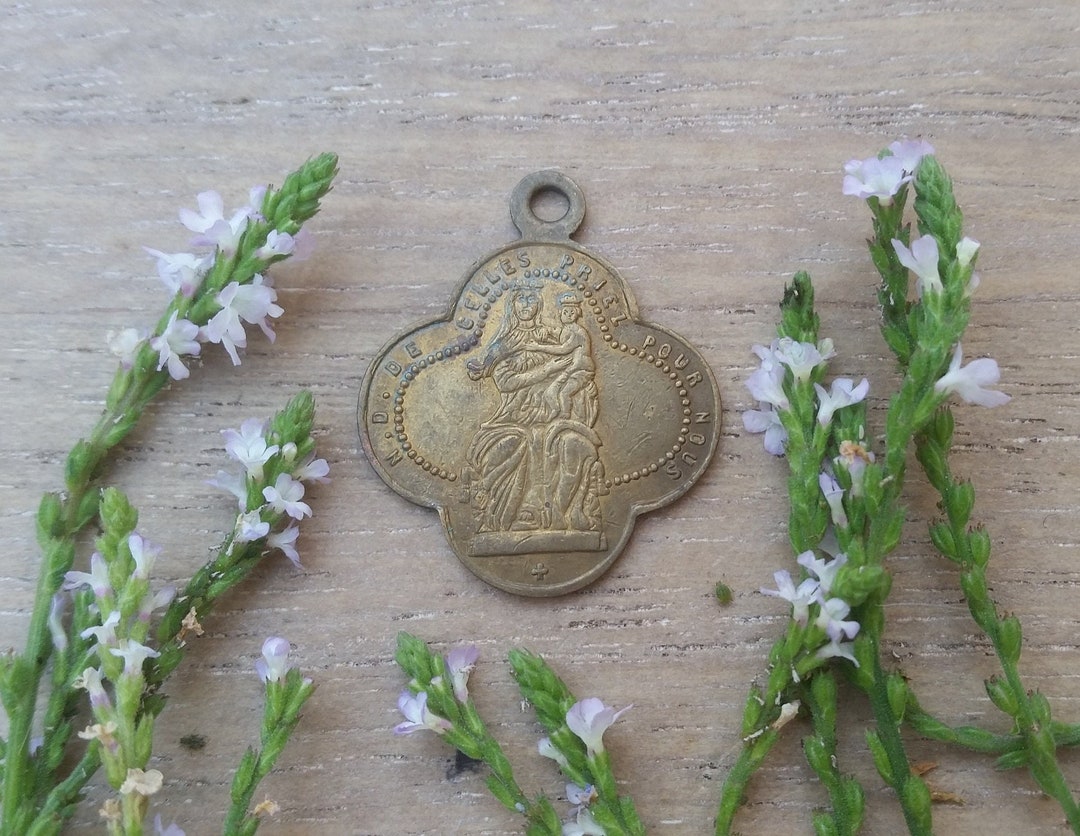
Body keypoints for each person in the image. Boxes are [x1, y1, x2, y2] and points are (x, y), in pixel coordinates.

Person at [465, 286, 604, 537]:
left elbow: (573, 361)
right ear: (512, 307)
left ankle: (566, 513)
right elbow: (506, 383)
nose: (527, 305)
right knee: (523, 442)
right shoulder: (503, 345)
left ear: (539, 305)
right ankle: (517, 514)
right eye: (521, 300)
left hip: (551, 412)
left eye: (532, 300)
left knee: (572, 444)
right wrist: (547, 370)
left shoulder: (549, 336)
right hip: (514, 415)